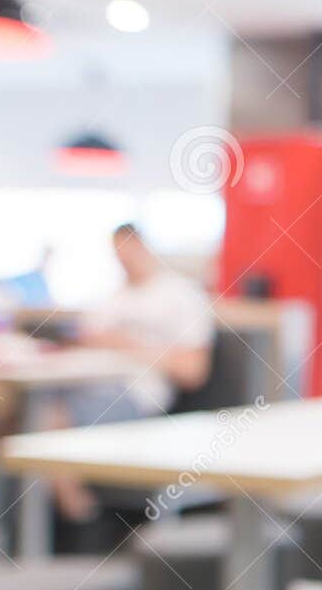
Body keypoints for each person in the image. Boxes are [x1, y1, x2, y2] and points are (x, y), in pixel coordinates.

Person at [44, 223, 214, 523]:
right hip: (86, 383)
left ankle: (76, 511)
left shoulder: (178, 295)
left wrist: (126, 346)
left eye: (129, 249)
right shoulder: (112, 298)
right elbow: (85, 338)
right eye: (117, 252)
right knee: (29, 409)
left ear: (144, 247)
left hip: (138, 394)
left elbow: (193, 370)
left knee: (51, 416)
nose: (124, 259)